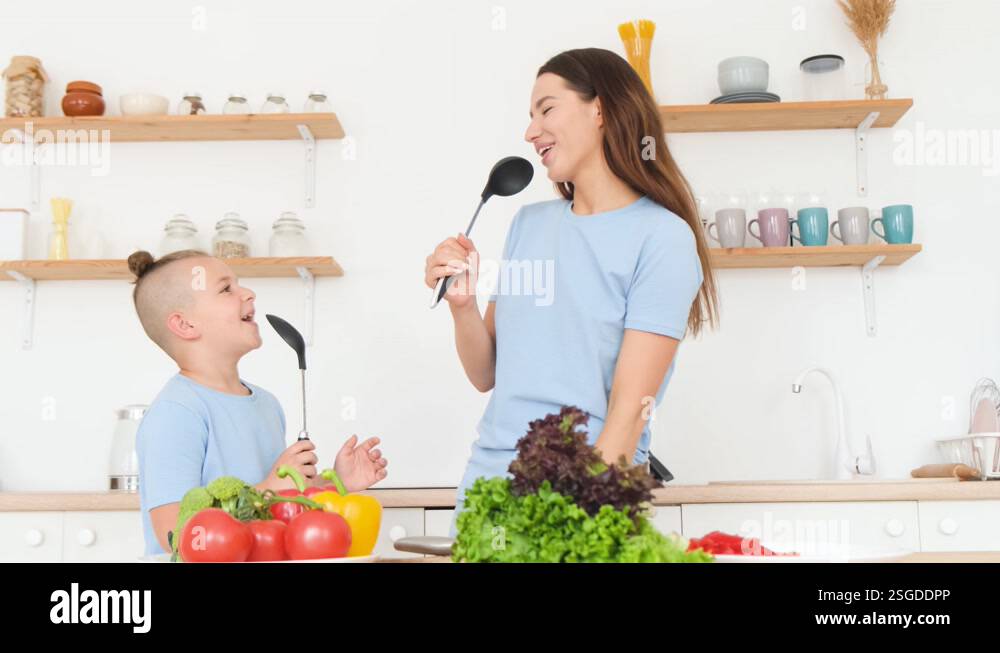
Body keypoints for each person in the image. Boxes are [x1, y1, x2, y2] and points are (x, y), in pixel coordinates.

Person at [423, 48, 719, 534]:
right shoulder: (529, 225)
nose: (530, 131)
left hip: (590, 488)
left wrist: (570, 522)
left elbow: (627, 416)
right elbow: (486, 373)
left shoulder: (662, 238)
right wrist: (462, 305)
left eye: (546, 108)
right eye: (530, 116)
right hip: (490, 485)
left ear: (599, 109)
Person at [128, 249, 388, 554]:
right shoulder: (175, 414)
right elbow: (174, 533)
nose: (248, 293)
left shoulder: (267, 405)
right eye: (226, 289)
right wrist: (265, 492)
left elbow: (279, 500)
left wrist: (333, 483)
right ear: (185, 325)